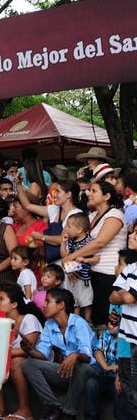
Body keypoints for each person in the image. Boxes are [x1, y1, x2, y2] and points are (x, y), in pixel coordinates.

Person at [21, 287, 95, 420]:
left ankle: (68, 413)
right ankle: (53, 407)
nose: (44, 305)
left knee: (81, 366)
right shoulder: (49, 325)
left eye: (48, 301)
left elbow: (88, 357)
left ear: (61, 305)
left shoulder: (79, 323)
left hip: (89, 371)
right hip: (67, 372)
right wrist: (30, 350)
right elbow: (43, 354)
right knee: (28, 364)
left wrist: (75, 356)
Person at [63, 178, 126, 327]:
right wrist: (71, 265)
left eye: (93, 191)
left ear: (106, 196)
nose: (88, 193)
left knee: (105, 320)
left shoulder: (115, 214)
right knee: (92, 319)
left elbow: (99, 243)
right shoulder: (91, 216)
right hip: (92, 272)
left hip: (109, 274)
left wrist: (71, 257)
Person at [0, 283, 44, 420]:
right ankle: (0, 409)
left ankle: (25, 410)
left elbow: (27, 349)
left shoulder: (28, 319)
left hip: (37, 359)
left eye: (1, 299)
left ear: (14, 304)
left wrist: (1, 354)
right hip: (12, 357)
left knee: (16, 362)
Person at [111, 239, 137, 418]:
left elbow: (128, 298)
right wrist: (125, 295)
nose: (132, 235)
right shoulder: (131, 268)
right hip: (130, 340)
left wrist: (125, 295)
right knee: (131, 394)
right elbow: (113, 296)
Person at [60, 212, 95, 321]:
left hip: (83, 278)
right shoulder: (71, 241)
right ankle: (76, 321)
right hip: (71, 276)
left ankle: (87, 321)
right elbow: (64, 256)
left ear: (79, 229)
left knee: (86, 302)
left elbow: (97, 258)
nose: (65, 229)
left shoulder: (89, 241)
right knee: (75, 302)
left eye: (68, 226)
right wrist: (63, 242)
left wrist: (85, 260)